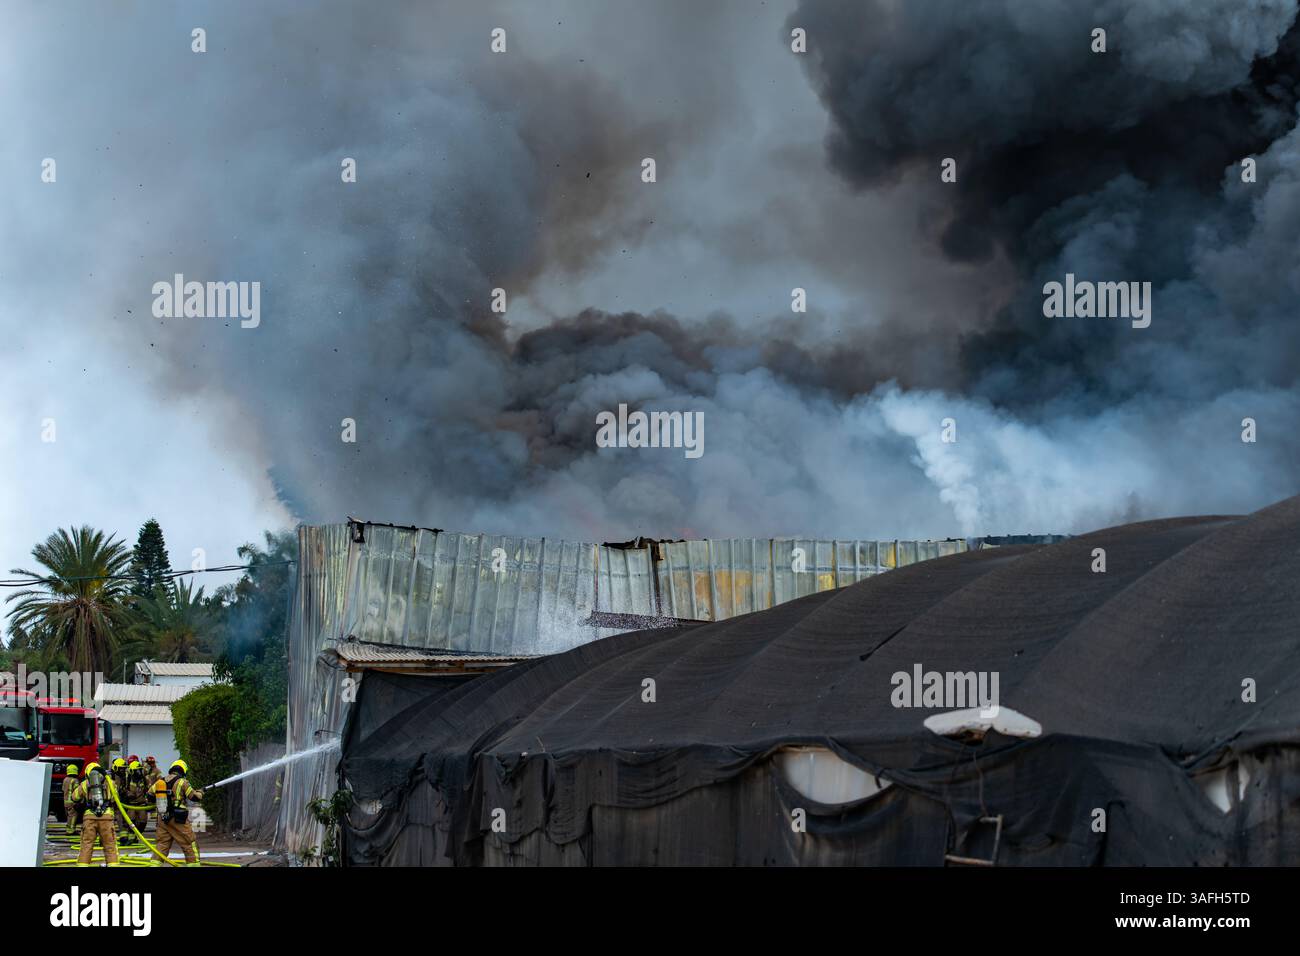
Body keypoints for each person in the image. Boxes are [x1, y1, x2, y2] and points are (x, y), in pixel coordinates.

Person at [154, 759, 204, 865]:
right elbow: (194, 797)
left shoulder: (160, 781)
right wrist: (200, 792)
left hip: (162, 818)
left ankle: (154, 864)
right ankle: (194, 864)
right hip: (178, 818)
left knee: (162, 844)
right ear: (183, 771)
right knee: (189, 843)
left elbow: (149, 796)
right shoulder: (182, 782)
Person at [72, 762, 120, 866]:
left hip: (89, 817)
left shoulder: (85, 783)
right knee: (109, 845)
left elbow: (74, 797)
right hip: (106, 817)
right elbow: (114, 798)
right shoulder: (110, 782)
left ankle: (83, 865)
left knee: (87, 845)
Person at [125, 760, 150, 838]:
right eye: (137, 770)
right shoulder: (127, 779)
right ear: (132, 771)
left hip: (141, 804)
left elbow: (149, 788)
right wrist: (128, 794)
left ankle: (137, 835)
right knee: (131, 821)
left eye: (140, 770)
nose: (139, 772)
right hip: (131, 804)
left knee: (143, 822)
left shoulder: (144, 778)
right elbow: (122, 789)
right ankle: (131, 837)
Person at [61, 764, 81, 836]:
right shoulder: (75, 780)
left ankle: (70, 829)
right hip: (73, 802)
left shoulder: (65, 779)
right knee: (73, 816)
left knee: (69, 816)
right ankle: (70, 831)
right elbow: (77, 791)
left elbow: (63, 790)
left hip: (65, 802)